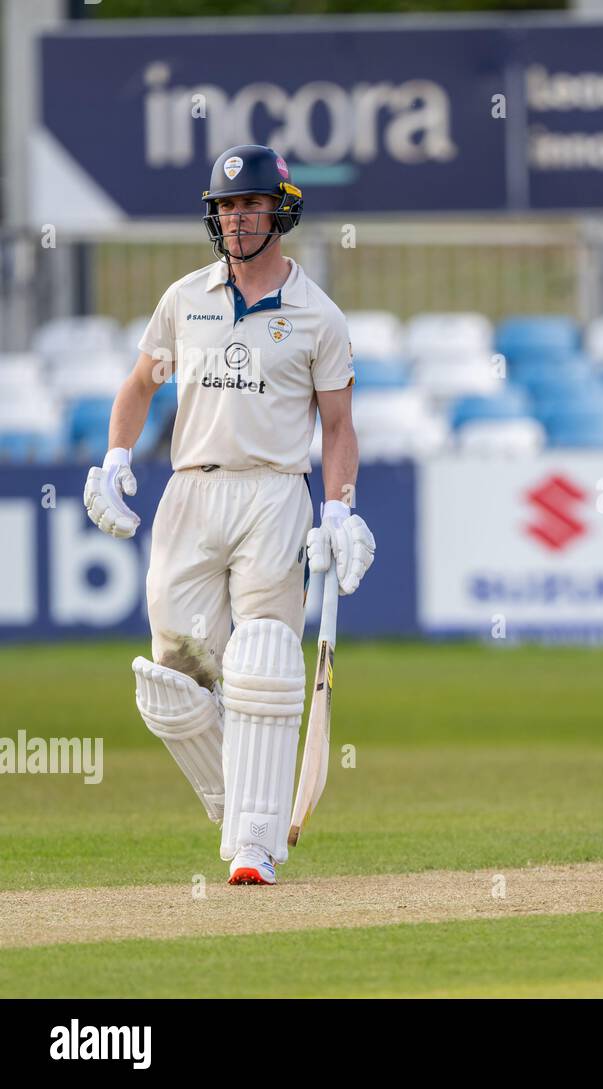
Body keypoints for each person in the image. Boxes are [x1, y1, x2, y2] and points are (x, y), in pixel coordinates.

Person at [83, 144, 375, 885]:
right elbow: (139, 385)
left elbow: (338, 427)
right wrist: (116, 459)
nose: (237, 219)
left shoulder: (318, 316)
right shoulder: (186, 298)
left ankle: (253, 844)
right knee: (173, 681)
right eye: (225, 206)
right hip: (190, 491)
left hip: (275, 492)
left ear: (280, 209)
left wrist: (340, 510)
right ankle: (247, 805)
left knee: (265, 661)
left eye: (249, 205)